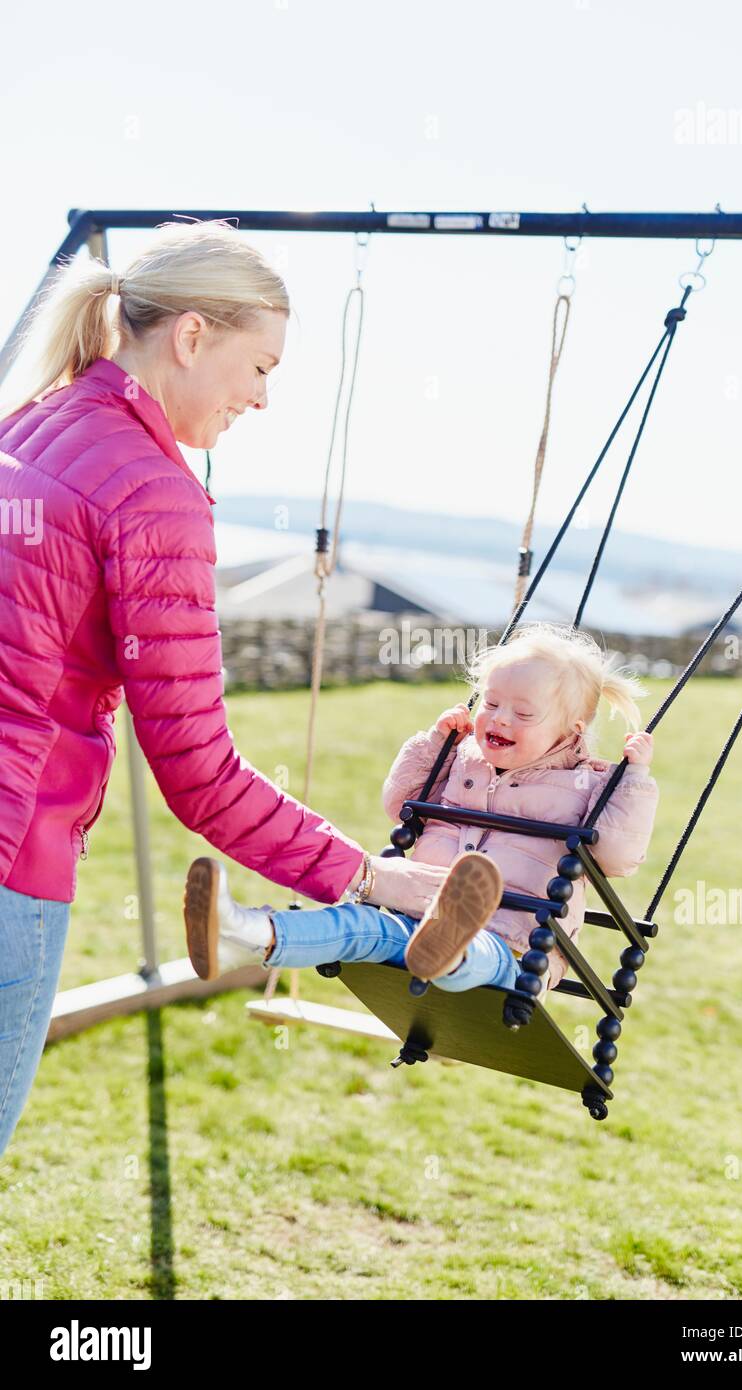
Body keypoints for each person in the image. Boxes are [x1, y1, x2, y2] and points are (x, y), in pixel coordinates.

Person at [0, 218, 447, 1156]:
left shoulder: (35, 417)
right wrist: (366, 878)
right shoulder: (152, 491)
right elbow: (199, 772)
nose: (264, 398)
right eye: (261, 367)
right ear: (193, 336)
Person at [184, 622, 660, 994]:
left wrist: (634, 779)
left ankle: (451, 947)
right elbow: (400, 804)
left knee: (477, 951)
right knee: (358, 923)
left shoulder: (591, 785)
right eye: (491, 702)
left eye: (523, 713)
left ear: (571, 731)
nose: (497, 718)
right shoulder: (462, 759)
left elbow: (616, 857)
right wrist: (436, 743)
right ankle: (242, 933)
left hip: (515, 950)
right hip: (413, 917)